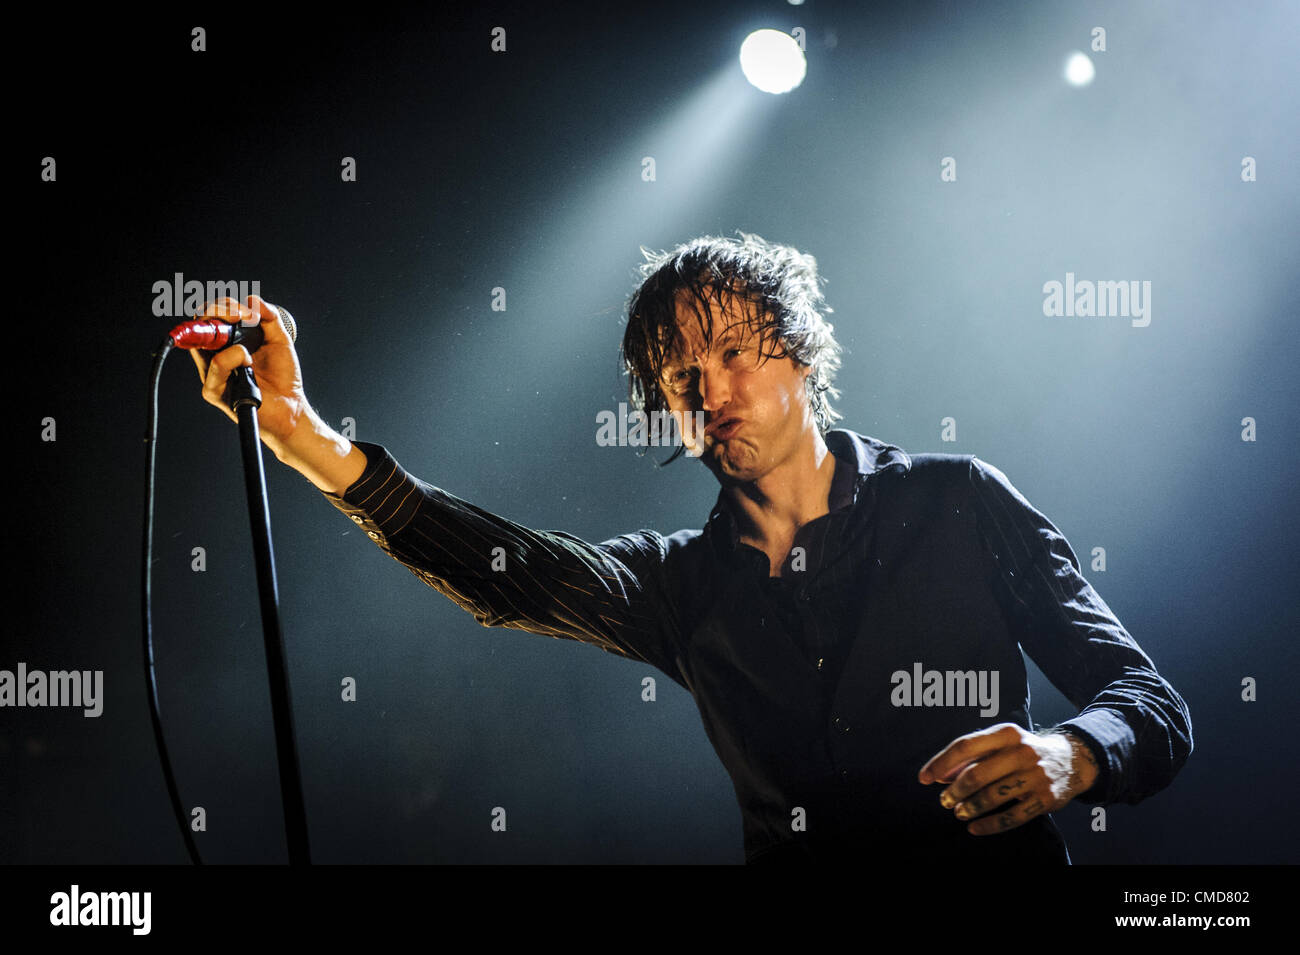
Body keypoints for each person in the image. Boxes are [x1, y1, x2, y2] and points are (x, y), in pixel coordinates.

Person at [192, 232, 1192, 864]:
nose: (707, 391)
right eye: (678, 379)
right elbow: (508, 571)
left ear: (800, 355)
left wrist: (1073, 753)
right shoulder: (675, 583)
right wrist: (307, 442)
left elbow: (1149, 702)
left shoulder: (955, 501)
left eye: (732, 354)